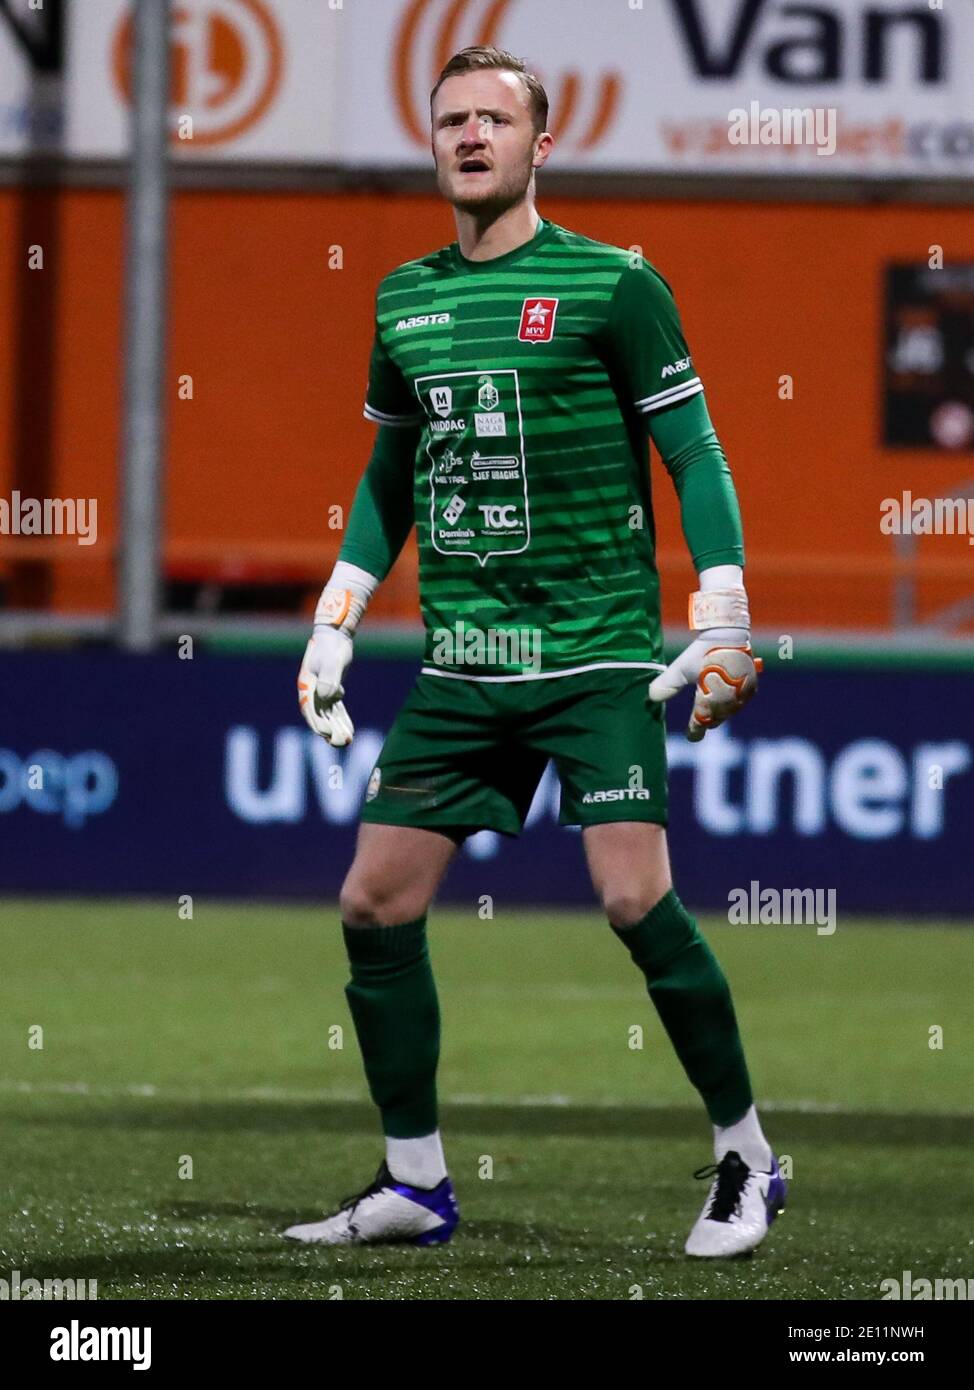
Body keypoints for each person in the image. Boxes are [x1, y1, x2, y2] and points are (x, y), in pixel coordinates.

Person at [285, 45, 785, 1258]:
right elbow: (390, 473)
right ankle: (414, 1185)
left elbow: (695, 453)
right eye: (449, 119)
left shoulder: (615, 285)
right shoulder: (401, 297)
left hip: (594, 652)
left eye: (491, 120)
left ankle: (748, 1156)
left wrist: (721, 610)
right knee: (372, 900)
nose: (468, 136)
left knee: (631, 896)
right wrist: (337, 613)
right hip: (462, 663)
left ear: (536, 145)